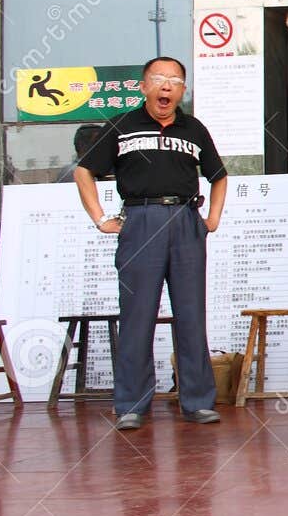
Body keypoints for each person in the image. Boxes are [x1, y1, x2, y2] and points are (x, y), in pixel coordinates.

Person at [74, 57, 227, 431]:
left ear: (183, 90)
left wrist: (212, 219)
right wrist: (100, 219)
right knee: (137, 315)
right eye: (159, 79)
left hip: (186, 220)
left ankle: (197, 402)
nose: (167, 86)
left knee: (191, 314)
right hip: (140, 220)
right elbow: (84, 171)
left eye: (175, 80)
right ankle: (131, 405)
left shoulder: (194, 129)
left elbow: (219, 176)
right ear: (144, 87)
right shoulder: (123, 125)